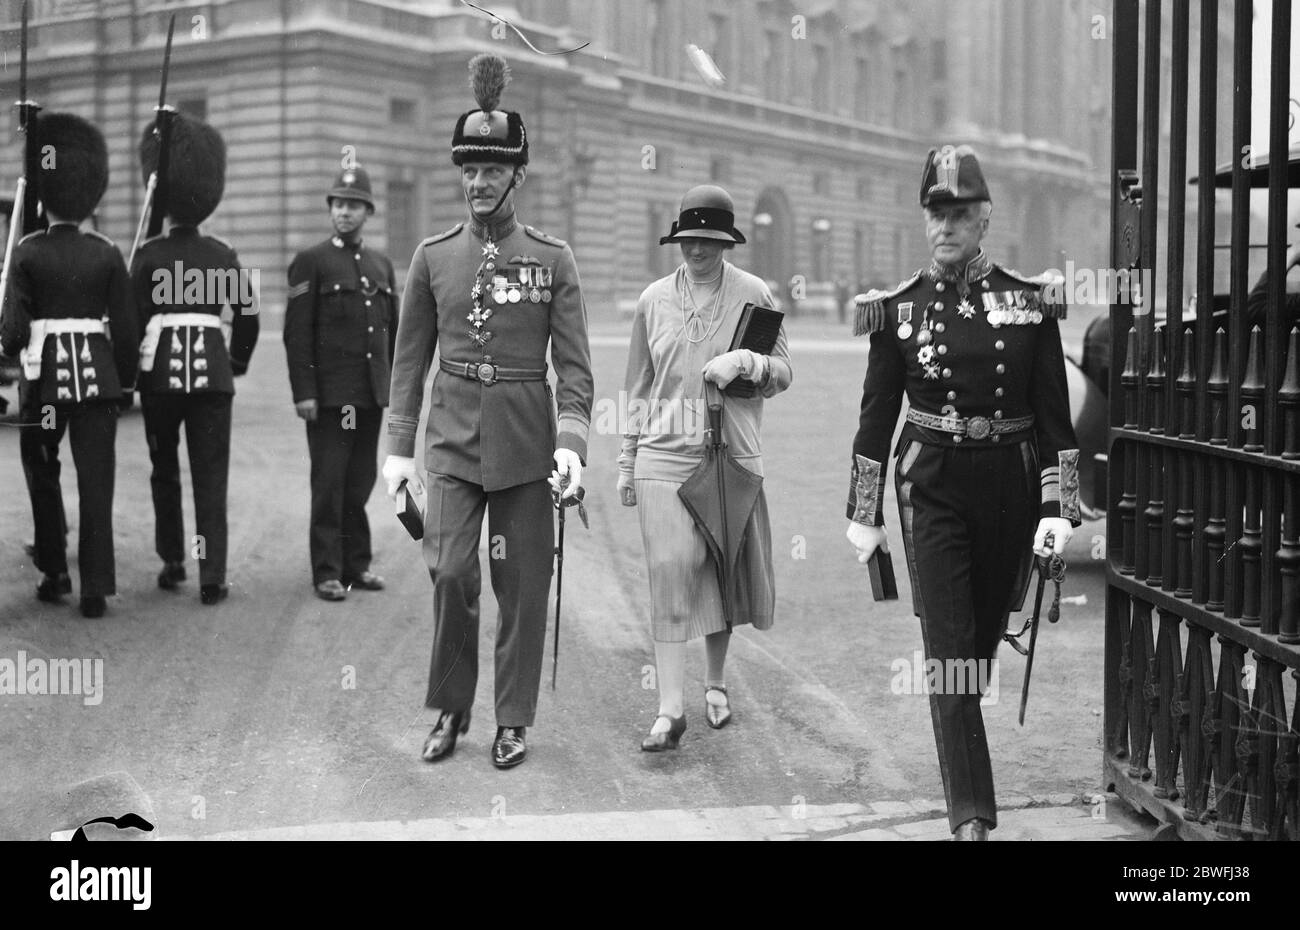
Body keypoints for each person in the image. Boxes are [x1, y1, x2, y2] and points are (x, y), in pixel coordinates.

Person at [844, 145, 1080, 839]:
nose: (944, 226)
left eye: (958, 214)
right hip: (932, 485)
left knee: (975, 646)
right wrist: (864, 513)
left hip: (1009, 484)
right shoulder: (895, 310)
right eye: (935, 214)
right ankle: (972, 817)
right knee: (948, 650)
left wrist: (1058, 508)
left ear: (984, 219)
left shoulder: (1031, 303)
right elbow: (875, 417)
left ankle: (963, 742)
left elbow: (1055, 420)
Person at [381, 52, 594, 770]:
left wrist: (571, 446)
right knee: (450, 572)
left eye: (492, 171)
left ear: (517, 176)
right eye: (469, 170)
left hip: (527, 448)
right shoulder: (432, 257)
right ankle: (451, 709)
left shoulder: (553, 260)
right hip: (450, 444)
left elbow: (575, 369)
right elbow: (409, 362)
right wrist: (398, 450)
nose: (478, 183)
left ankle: (513, 719)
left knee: (522, 585)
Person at [618, 184, 792, 751]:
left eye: (709, 241)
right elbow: (637, 387)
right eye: (689, 239)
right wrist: (626, 461)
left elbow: (782, 372)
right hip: (662, 455)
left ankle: (715, 682)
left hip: (729, 455)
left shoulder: (753, 293)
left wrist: (746, 361)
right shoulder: (652, 300)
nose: (697, 250)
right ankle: (669, 709)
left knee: (721, 572)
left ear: (727, 242)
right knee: (669, 570)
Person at [0, 113, 137, 618]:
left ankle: (54, 571)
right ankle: (95, 587)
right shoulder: (107, 252)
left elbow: (14, 334)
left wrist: (9, 343)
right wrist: (124, 383)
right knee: (96, 482)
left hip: (45, 389)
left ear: (42, 200)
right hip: (98, 385)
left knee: (43, 471)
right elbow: (127, 331)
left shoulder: (27, 252)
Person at [132, 112, 258, 605]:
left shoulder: (147, 255)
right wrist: (236, 363)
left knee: (164, 471)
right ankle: (212, 575)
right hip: (213, 381)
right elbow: (248, 316)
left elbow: (132, 320)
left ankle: (172, 561)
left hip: (160, 382)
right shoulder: (222, 254)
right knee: (210, 479)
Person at [284, 166, 399, 601]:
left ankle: (357, 565)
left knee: (360, 480)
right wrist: (305, 392)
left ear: (367, 212)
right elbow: (298, 333)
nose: (344, 212)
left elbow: (392, 332)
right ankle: (327, 571)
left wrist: (390, 386)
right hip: (332, 398)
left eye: (353, 205)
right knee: (330, 482)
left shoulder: (380, 265)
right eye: (338, 204)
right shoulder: (311, 261)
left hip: (368, 395)